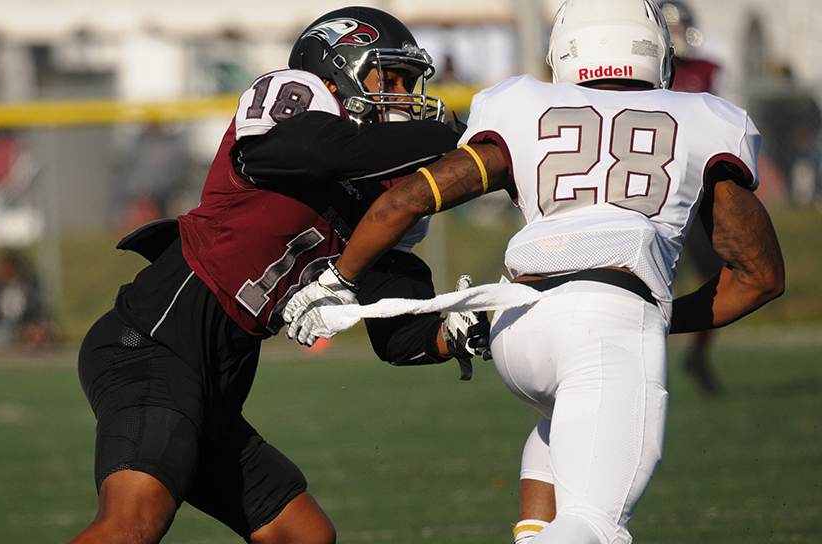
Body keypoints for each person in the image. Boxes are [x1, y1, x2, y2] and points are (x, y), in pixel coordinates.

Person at [282, 2, 785, 544]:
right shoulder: (707, 118)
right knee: (595, 525)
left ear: (563, 50)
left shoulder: (521, 103)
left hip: (519, 323)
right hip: (609, 314)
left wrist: (339, 279)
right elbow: (760, 276)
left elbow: (403, 201)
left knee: (563, 429)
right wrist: (659, 317)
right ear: (655, 48)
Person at [70, 7, 488, 544]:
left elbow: (397, 333)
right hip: (154, 341)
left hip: (217, 378)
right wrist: (449, 136)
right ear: (338, 70)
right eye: (393, 78)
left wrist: (458, 331)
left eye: (411, 82)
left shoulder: (387, 196)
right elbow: (327, 152)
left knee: (303, 536)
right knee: (134, 523)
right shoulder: (297, 98)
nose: (406, 97)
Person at [660, 0, 725, 395]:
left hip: (699, 191)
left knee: (716, 277)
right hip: (658, 193)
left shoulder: (708, 70)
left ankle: (697, 353)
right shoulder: (652, 72)